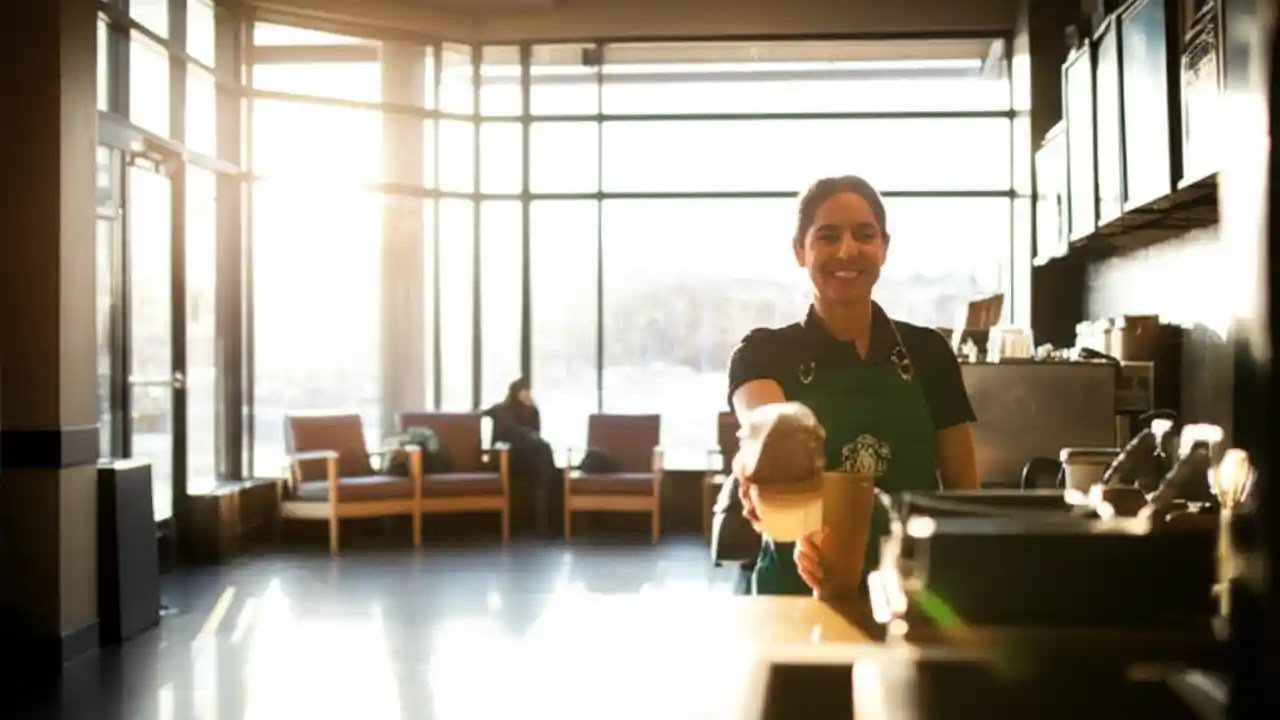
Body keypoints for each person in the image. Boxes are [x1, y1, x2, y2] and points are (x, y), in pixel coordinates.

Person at [727, 175, 979, 596]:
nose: (847, 250)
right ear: (799, 250)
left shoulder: (929, 353)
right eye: (827, 236)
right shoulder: (762, 353)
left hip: (912, 596)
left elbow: (965, 496)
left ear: (884, 247)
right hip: (795, 593)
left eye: (864, 235)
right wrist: (789, 510)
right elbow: (769, 429)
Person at [485, 378, 562, 536]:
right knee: (542, 454)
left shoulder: (532, 411)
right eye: (524, 391)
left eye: (529, 391)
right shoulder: (502, 410)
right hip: (511, 457)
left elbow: (536, 435)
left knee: (544, 463)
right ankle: (542, 526)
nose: (528, 395)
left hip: (532, 456)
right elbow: (507, 435)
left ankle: (546, 525)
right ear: (516, 393)